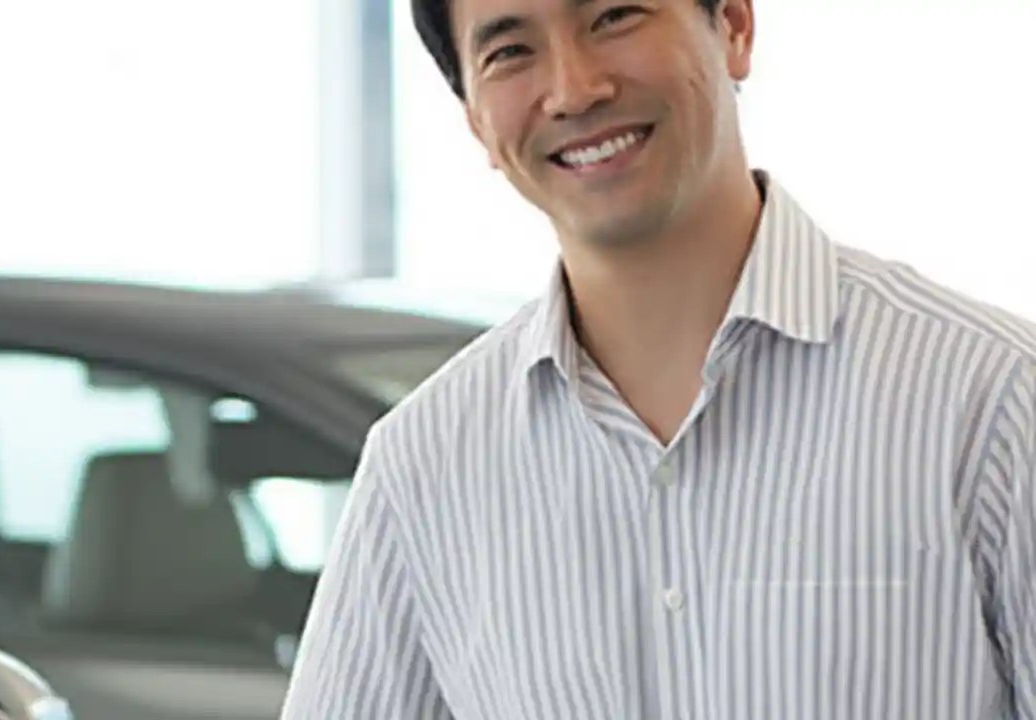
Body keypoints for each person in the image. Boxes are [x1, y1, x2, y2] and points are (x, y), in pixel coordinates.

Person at [281, 0, 1035, 717]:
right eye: (511, 51)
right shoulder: (423, 467)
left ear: (734, 25)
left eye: (614, 16)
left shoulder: (990, 401)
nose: (575, 90)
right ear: (476, 119)